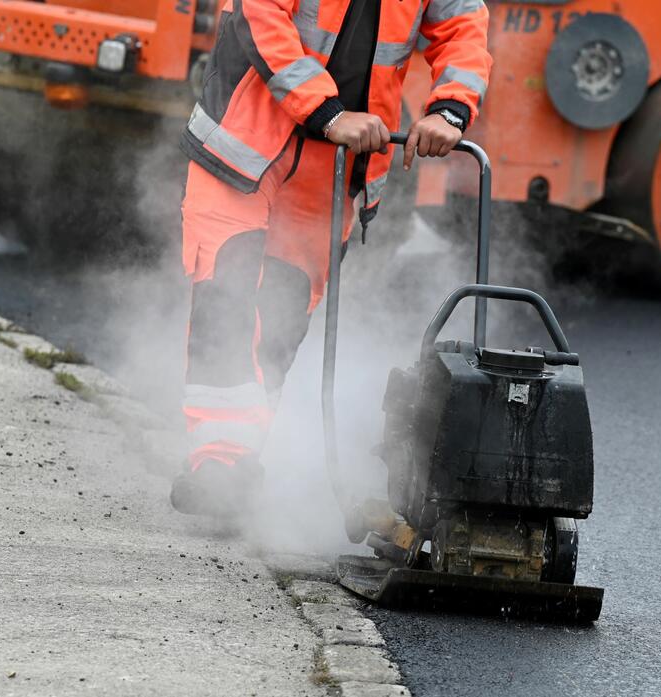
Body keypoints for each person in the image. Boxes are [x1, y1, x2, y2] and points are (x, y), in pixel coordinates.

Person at [170, 0, 491, 514]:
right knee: (226, 294)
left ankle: (239, 459)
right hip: (244, 143)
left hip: (333, 169)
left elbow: (463, 28)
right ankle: (218, 463)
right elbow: (262, 18)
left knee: (281, 316)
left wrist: (451, 108)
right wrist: (328, 112)